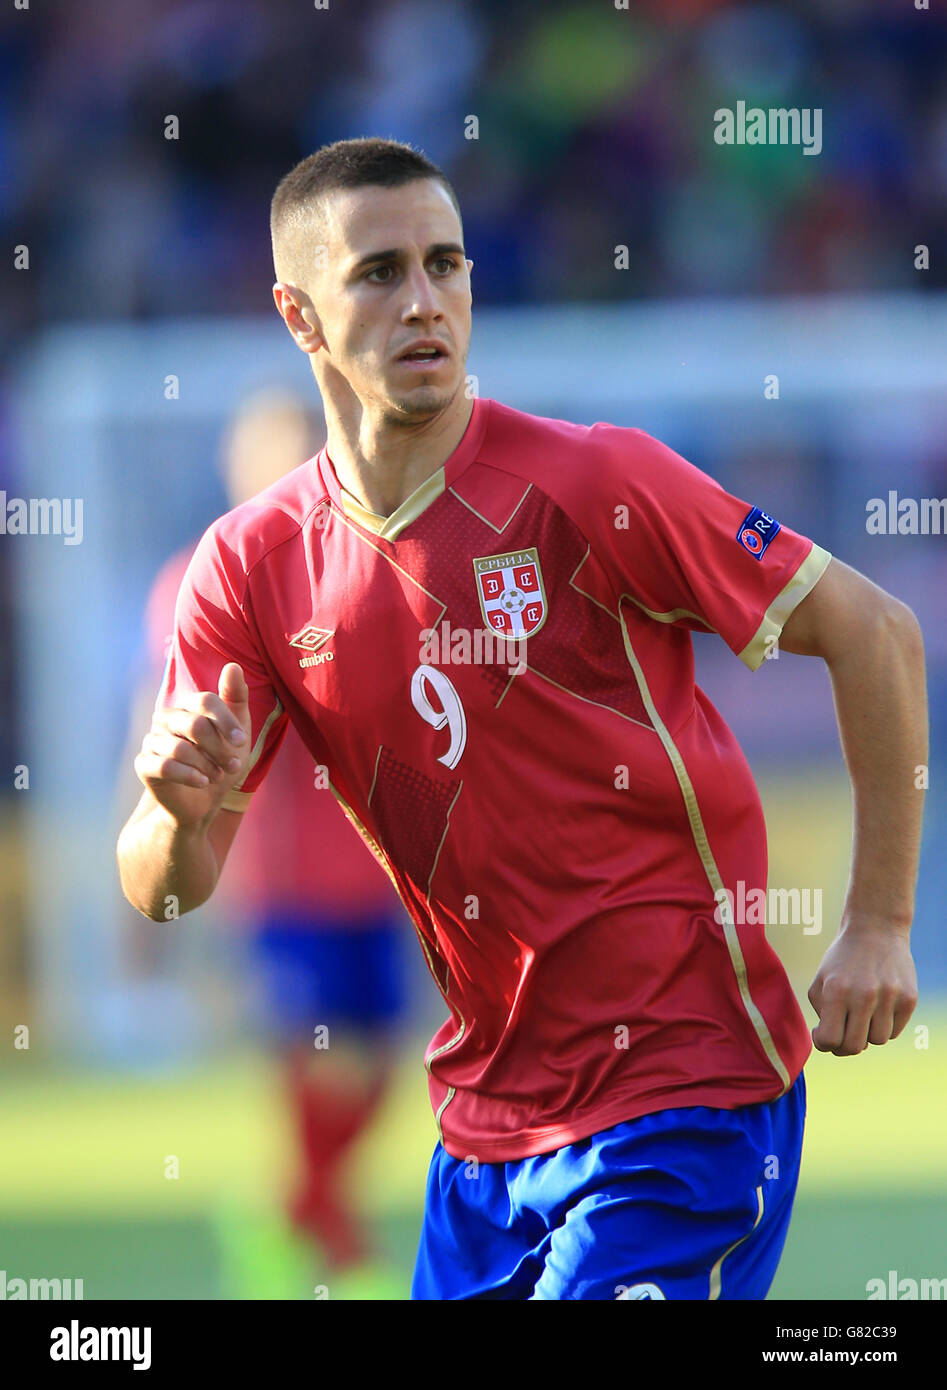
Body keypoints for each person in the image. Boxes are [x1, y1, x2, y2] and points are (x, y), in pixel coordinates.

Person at [117, 137, 926, 1301]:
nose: (425, 301)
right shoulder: (248, 566)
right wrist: (171, 813)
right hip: (486, 1136)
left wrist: (878, 922)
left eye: (445, 265)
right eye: (379, 272)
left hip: (680, 1095)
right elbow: (170, 887)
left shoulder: (593, 482)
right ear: (298, 315)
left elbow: (875, 632)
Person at [138, 391, 409, 1299]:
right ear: (236, 464)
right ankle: (334, 1251)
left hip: (372, 870)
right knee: (312, 1061)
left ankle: (285, 1215)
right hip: (283, 880)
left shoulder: (365, 566)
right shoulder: (197, 582)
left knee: (383, 1064)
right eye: (272, 449)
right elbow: (161, 733)